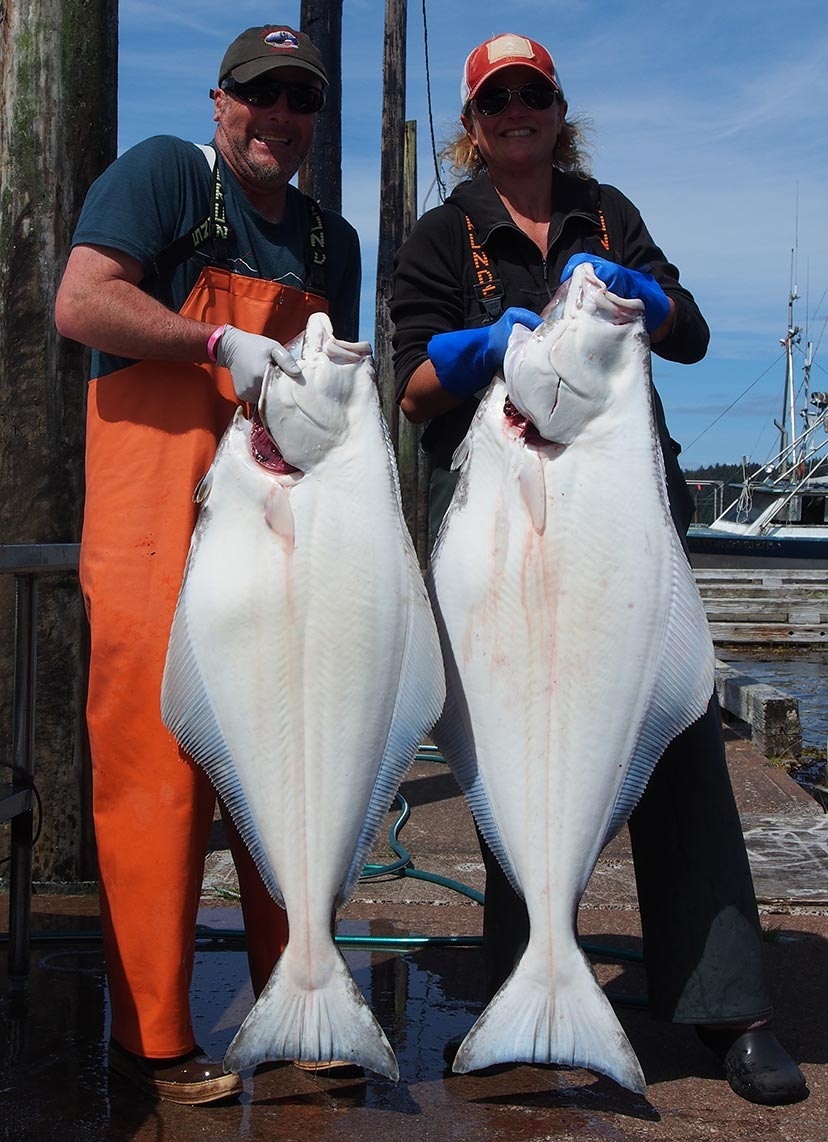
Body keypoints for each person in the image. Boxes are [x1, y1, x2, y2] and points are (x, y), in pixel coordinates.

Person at [390, 32, 807, 1107]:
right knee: (511, 751)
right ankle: (526, 990)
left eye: (533, 96)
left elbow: (695, 333)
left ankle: (729, 1006)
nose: (515, 113)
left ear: (557, 110)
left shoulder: (606, 209)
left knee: (680, 757)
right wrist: (485, 349)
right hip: (500, 527)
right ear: (472, 125)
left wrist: (639, 295)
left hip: (620, 535)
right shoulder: (443, 235)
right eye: (496, 101)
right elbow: (412, 382)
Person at [55, 25, 361, 1105]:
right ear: (220, 100)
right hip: (155, 530)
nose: (279, 115)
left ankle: (300, 1002)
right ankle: (153, 1038)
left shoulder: (333, 241)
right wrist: (216, 344)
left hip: (280, 537)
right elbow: (82, 299)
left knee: (295, 773)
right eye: (259, 94)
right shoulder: (167, 176)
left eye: (300, 99)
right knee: (156, 779)